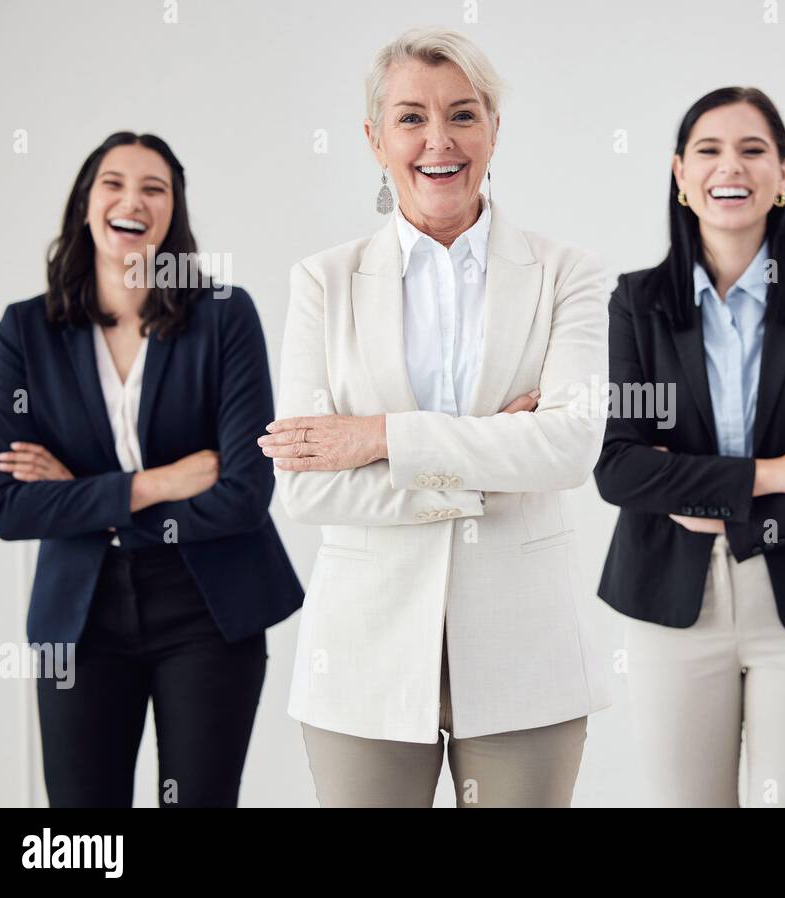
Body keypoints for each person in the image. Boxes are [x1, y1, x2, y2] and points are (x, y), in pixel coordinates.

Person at [260, 27, 610, 808]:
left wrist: (377, 437)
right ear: (375, 139)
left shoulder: (566, 275)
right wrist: (490, 464)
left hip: (527, 659)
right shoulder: (322, 282)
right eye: (412, 118)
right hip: (364, 659)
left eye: (463, 114)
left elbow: (567, 447)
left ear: (494, 129)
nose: (439, 140)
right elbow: (308, 490)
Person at [0, 131, 303, 807]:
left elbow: (245, 494)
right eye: (114, 183)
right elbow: (12, 507)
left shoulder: (224, 317)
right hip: (81, 613)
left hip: (208, 607)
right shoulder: (25, 333)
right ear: (84, 203)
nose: (133, 200)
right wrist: (157, 483)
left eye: (154, 188)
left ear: (173, 212)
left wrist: (84, 498)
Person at [594, 87, 785, 807]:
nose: (733, 167)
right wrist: (782, 471)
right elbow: (622, 467)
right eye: (710, 150)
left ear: (784, 175)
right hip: (673, 599)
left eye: (754, 150)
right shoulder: (638, 304)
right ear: (679, 174)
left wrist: (724, 507)